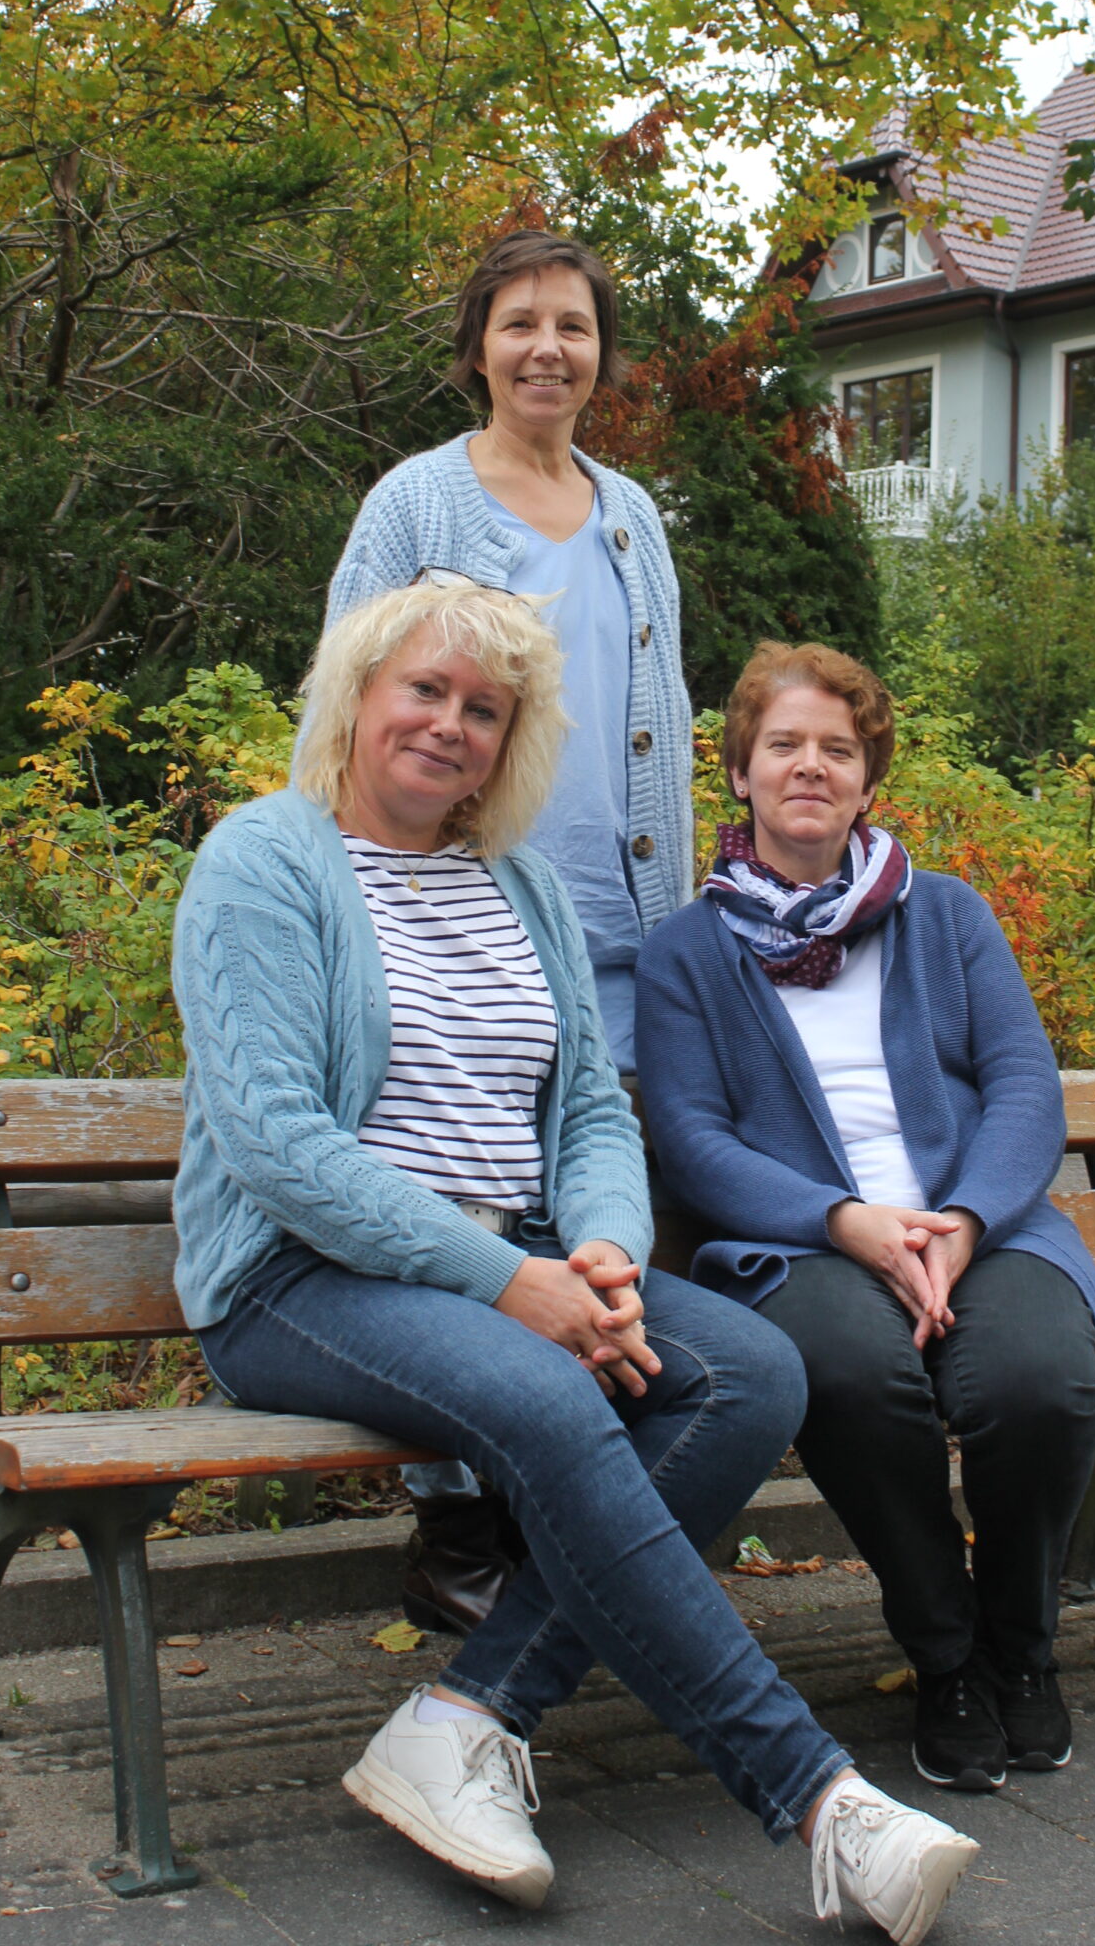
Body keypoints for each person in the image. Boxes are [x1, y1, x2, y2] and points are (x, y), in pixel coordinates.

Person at [172, 581, 979, 1944]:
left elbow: (591, 1111)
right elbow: (279, 1147)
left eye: (483, 710)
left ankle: (468, 1714)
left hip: (524, 1260)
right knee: (551, 1401)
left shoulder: (521, 884)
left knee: (746, 1372)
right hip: (298, 1279)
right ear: (357, 699)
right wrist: (508, 1288)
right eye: (423, 691)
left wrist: (597, 1250)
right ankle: (819, 1804)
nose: (449, 726)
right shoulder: (265, 860)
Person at [635, 641, 1095, 1798]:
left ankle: (1021, 1646)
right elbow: (693, 1139)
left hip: (978, 1228)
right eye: (784, 745)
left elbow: (1022, 1084)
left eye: (837, 749)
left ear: (867, 777)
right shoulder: (687, 953)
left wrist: (960, 1218)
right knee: (851, 1375)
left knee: (1036, 1378)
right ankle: (945, 1657)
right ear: (740, 771)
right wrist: (844, 1220)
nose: (811, 766)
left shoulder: (945, 916)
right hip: (803, 1243)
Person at [323, 226, 690, 1627]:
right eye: (521, 323)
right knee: (456, 1176)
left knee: (582, 1192)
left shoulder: (631, 513)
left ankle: (572, 1487)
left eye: (574, 327)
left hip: (624, 920)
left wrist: (683, 918)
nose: (549, 348)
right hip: (455, 905)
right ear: (478, 344)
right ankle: (454, 1516)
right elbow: (352, 692)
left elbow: (662, 723)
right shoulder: (418, 504)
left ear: (600, 355)